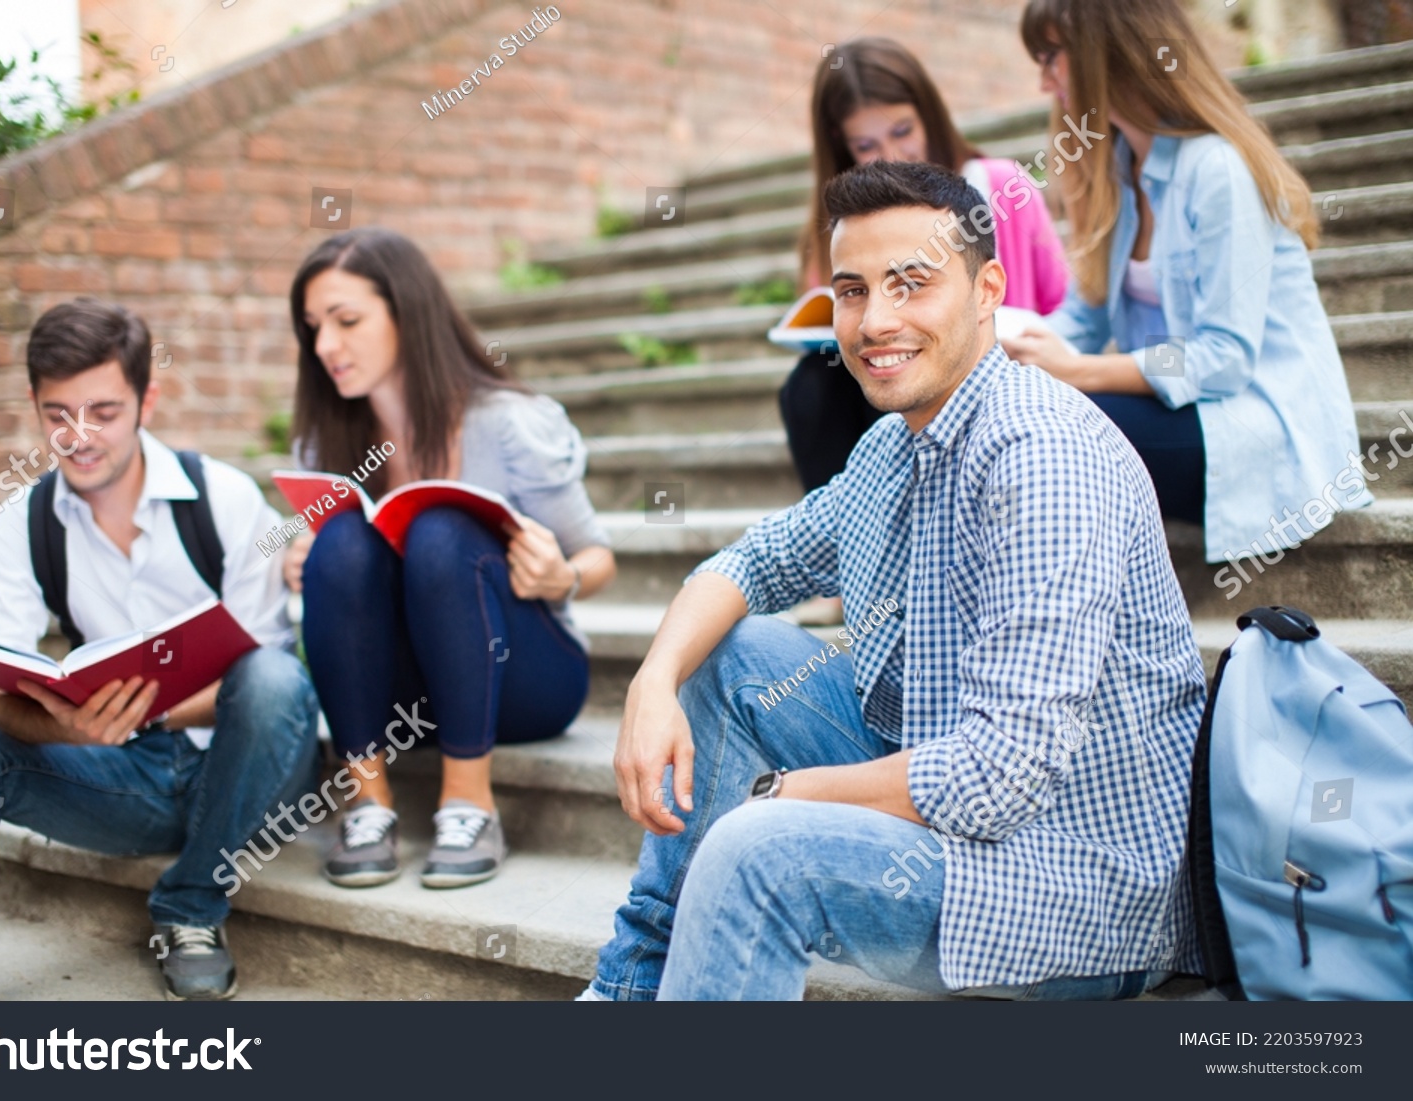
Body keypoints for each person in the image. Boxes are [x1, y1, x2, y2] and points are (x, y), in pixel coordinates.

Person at [579, 160, 1205, 1001]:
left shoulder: (1044, 457)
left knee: (754, 849)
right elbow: (749, 564)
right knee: (727, 656)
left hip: (1079, 886)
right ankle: (627, 991)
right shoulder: (891, 447)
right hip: (956, 811)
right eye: (852, 290)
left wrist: (776, 794)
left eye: (911, 283)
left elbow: (996, 774)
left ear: (987, 290)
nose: (876, 320)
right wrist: (653, 683)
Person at [0, 299, 319, 1001]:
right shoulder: (25, 521)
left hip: (243, 768)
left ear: (146, 399)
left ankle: (190, 907)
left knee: (274, 677)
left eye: (102, 411)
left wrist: (145, 714)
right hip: (121, 779)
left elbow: (270, 682)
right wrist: (66, 724)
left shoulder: (221, 498)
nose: (79, 436)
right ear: (35, 406)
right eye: (57, 414)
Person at [284, 227, 616, 890]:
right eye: (314, 326)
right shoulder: (327, 440)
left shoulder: (507, 420)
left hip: (524, 677)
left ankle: (469, 803)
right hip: (405, 693)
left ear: (407, 313)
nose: (326, 346)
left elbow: (597, 555)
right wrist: (297, 560)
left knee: (439, 529)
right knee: (341, 542)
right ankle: (369, 806)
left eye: (347, 321)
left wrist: (564, 575)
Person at [1002, 0, 1367, 563]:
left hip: (1251, 424)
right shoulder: (1116, 170)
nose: (1043, 77)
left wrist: (1079, 370)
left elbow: (1222, 357)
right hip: (1182, 410)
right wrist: (1003, 349)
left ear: (1112, 50)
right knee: (1011, 403)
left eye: (1053, 55)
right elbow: (1084, 317)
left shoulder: (1216, 169)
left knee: (1060, 423)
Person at [780, 37, 1069, 496]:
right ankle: (846, 527)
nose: (892, 156)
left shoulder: (1000, 187)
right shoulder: (842, 224)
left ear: (927, 114)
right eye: (866, 144)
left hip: (983, 370)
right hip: (882, 380)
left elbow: (1062, 302)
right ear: (841, 143)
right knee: (813, 385)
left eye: (902, 131)